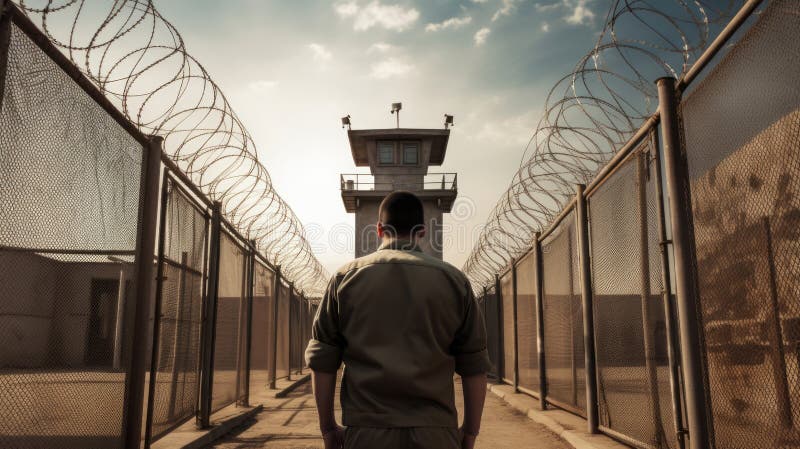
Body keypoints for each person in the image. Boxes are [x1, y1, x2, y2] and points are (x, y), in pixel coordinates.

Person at [305, 190, 491, 449]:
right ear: (422, 231)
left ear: (379, 229)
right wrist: (470, 432)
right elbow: (474, 366)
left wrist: (328, 428)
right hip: (436, 433)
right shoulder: (454, 281)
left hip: (367, 432)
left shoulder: (345, 279)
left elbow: (322, 362)